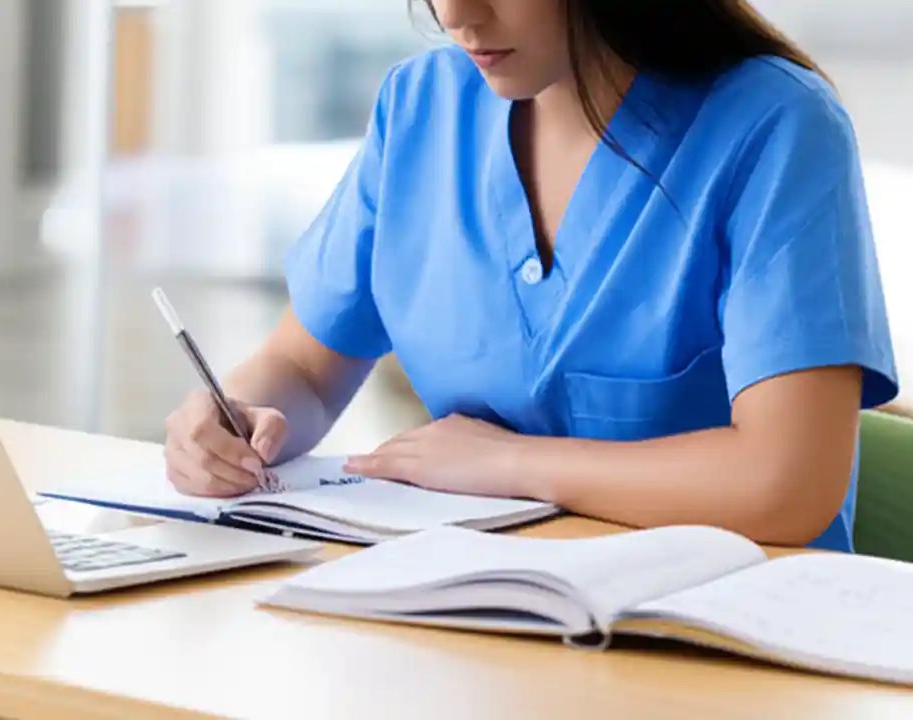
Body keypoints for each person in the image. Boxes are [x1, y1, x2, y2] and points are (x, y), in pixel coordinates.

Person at [162, 0, 899, 551]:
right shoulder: (422, 106)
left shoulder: (778, 127)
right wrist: (234, 418)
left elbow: (787, 483)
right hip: (466, 620)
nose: (457, 15)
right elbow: (305, 365)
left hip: (720, 649)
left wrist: (512, 463)